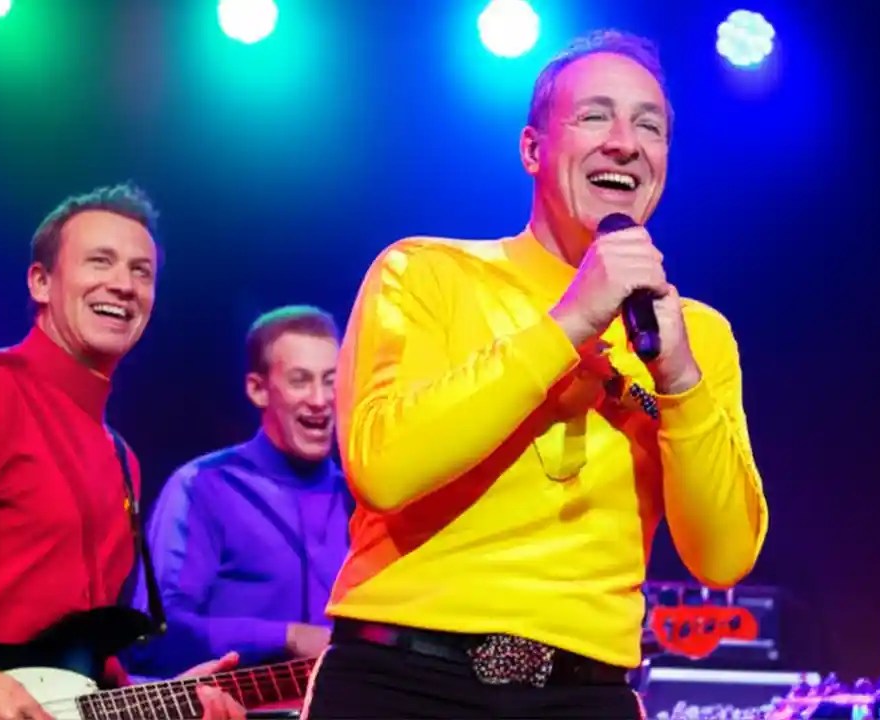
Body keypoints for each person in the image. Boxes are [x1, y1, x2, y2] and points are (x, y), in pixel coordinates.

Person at [302, 28, 769, 720]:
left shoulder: (693, 335)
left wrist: (677, 381)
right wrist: (569, 323)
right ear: (532, 150)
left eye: (650, 126)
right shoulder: (425, 273)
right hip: (402, 680)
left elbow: (723, 557)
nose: (624, 141)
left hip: (585, 692)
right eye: (594, 116)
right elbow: (385, 467)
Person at [0, 183, 246, 720]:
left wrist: (164, 697)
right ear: (41, 282)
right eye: (100, 261)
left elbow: (75, 669)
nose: (123, 284)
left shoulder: (123, 460)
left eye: (142, 271)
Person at [126, 305, 352, 680]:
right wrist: (287, 637)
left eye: (331, 380)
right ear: (258, 390)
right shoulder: (203, 486)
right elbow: (152, 637)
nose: (320, 399)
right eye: (300, 380)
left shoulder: (360, 499)